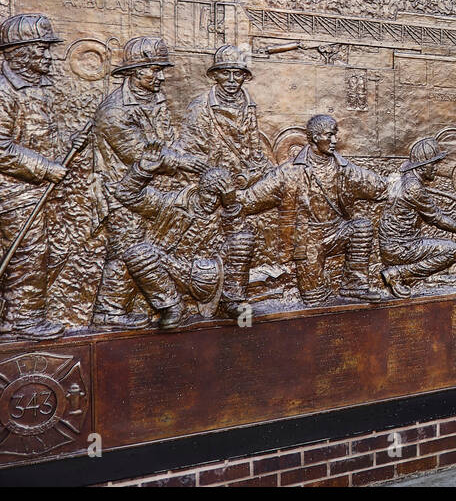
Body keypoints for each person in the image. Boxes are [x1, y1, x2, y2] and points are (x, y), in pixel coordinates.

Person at [0, 13, 86, 339]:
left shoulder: (39, 90)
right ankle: (22, 320)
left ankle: (11, 314)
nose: (49, 56)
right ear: (20, 53)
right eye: (42, 50)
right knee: (30, 252)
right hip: (11, 192)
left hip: (40, 190)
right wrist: (46, 167)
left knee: (49, 251)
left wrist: (67, 146)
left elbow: (40, 136)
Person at [90, 37, 208, 330]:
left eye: (161, 69)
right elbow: (140, 153)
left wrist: (187, 155)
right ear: (134, 71)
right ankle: (168, 304)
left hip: (151, 188)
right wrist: (184, 162)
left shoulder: (155, 97)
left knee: (125, 252)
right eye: (154, 70)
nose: (161, 76)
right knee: (133, 249)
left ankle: (111, 311)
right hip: (123, 191)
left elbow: (167, 140)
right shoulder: (114, 111)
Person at [239, 114, 389, 303]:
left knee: (362, 227)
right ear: (315, 137)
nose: (334, 140)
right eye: (329, 135)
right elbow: (252, 198)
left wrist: (399, 181)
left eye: (335, 134)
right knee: (314, 299)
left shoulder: (343, 167)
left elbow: (374, 184)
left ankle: (354, 286)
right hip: (307, 241)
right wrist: (228, 195)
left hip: (336, 232)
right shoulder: (290, 171)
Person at [178, 45, 269, 317]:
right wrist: (215, 180)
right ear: (215, 76)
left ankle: (234, 295)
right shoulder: (201, 108)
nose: (232, 80)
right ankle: (205, 292)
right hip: (208, 184)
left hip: (240, 185)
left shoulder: (248, 104)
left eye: (237, 74)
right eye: (226, 74)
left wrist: (246, 177)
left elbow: (256, 153)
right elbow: (187, 154)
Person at [378, 137, 456, 299]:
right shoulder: (414, 187)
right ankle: (398, 273)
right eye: (433, 164)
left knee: (440, 243)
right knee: (450, 250)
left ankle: (428, 274)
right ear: (421, 167)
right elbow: (437, 219)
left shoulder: (405, 180)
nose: (436, 168)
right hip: (400, 249)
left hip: (391, 246)